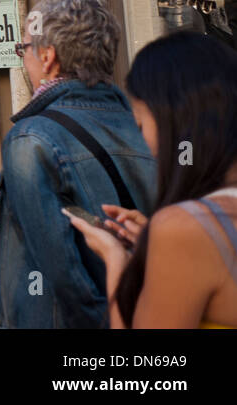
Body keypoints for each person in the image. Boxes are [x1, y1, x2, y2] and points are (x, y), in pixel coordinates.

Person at [0, 0, 156, 328]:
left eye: (24, 50)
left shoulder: (31, 138)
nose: (24, 60)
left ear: (47, 57)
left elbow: (63, 274)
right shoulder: (146, 126)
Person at [67, 31, 237, 328]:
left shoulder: (184, 229)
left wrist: (115, 258)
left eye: (142, 123)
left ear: (174, 122)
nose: (143, 141)